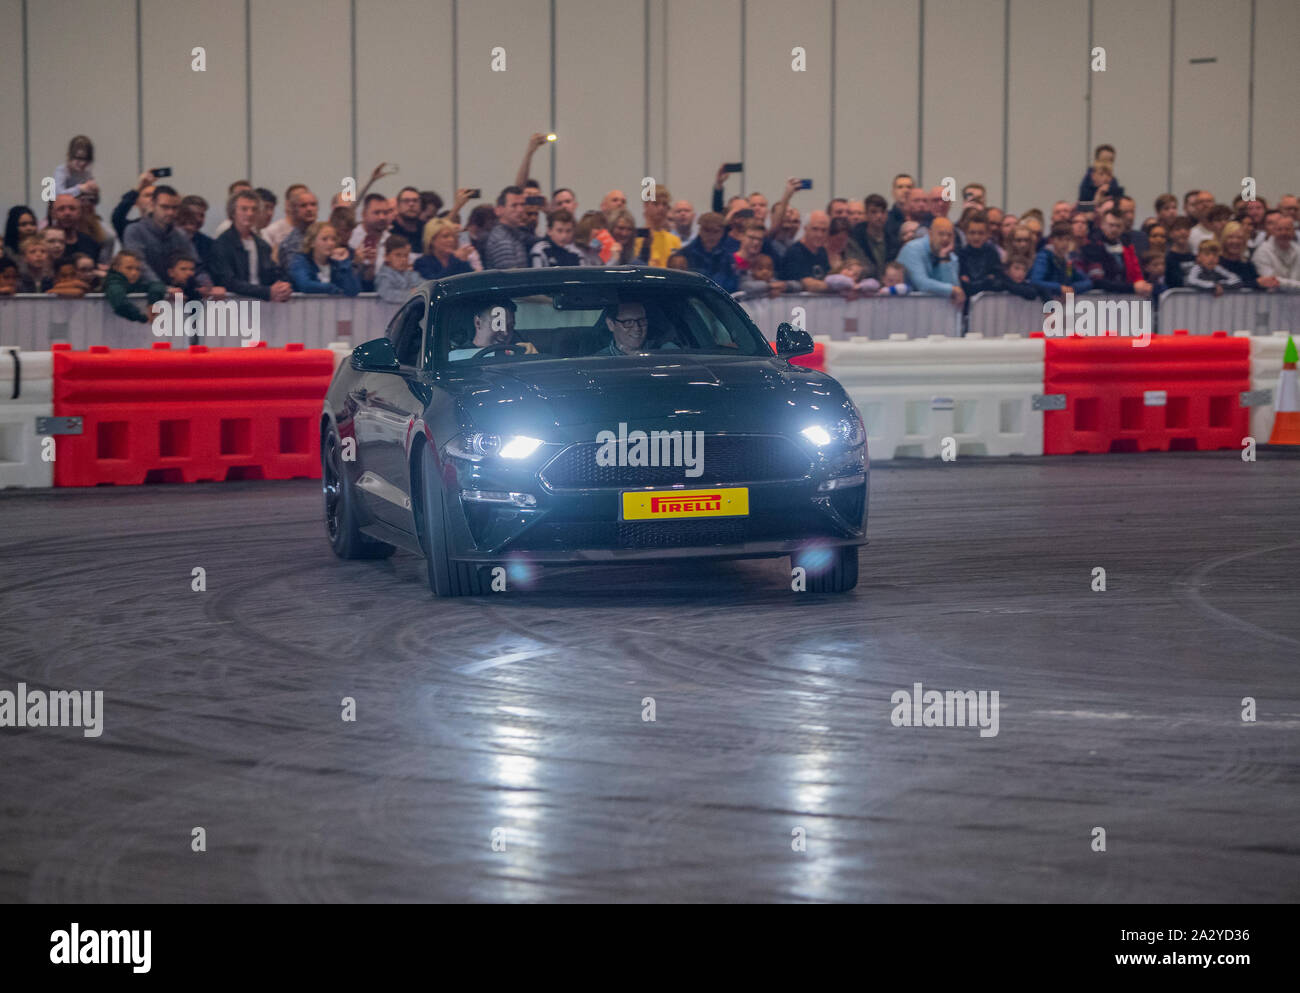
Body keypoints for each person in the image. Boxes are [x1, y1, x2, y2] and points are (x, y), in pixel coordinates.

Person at [209, 189, 292, 302]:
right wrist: (266, 292)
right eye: (244, 209)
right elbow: (228, 281)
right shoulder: (222, 244)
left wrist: (283, 285)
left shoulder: (262, 245)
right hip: (233, 306)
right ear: (233, 212)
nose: (250, 213)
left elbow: (273, 272)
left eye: (254, 209)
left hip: (261, 305)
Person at [897, 217, 963, 306]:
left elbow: (955, 291)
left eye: (949, 235)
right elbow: (921, 284)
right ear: (930, 234)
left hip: (932, 311)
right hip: (903, 307)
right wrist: (951, 290)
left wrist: (943, 259)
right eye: (941, 234)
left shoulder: (951, 256)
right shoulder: (912, 249)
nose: (945, 238)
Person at [288, 222, 361, 295]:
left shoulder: (336, 263)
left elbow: (353, 290)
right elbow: (305, 285)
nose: (331, 243)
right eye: (324, 239)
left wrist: (344, 262)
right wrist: (333, 289)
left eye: (334, 239)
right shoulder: (300, 260)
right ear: (312, 242)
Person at [450, 299, 537, 360]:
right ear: (478, 323)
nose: (506, 333)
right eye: (498, 324)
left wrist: (532, 359)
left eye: (510, 326)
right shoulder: (456, 357)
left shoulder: (517, 354)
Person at [1029, 222, 1091, 299]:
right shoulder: (1043, 257)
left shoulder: (1068, 260)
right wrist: (1060, 288)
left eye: (1067, 239)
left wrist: (1072, 290)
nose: (1064, 243)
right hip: (1042, 303)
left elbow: (1087, 282)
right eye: (1060, 239)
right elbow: (1035, 281)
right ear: (1052, 240)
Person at [103, 250, 166, 323]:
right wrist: (143, 317)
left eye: (138, 269)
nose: (134, 273)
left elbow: (157, 285)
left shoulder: (138, 282)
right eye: (129, 268)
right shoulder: (113, 283)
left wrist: (153, 301)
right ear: (116, 267)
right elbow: (120, 304)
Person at [596, 301, 677, 356]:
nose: (637, 328)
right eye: (628, 322)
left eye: (641, 321)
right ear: (611, 324)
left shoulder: (669, 352)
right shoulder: (596, 363)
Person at [780, 210, 832, 291]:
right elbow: (808, 285)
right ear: (805, 229)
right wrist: (836, 287)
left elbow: (828, 276)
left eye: (824, 230)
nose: (820, 234)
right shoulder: (795, 252)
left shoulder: (822, 251)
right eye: (815, 229)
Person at [483, 186, 533, 269]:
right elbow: (510, 278)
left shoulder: (515, 233)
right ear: (499, 210)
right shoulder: (501, 239)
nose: (520, 210)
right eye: (514, 205)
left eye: (522, 205)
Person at [1251, 211, 1300, 291]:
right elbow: (1272, 282)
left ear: (1293, 232)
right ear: (1273, 231)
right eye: (1279, 229)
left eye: (1287, 229)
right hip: (1271, 299)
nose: (1284, 233)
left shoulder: (1298, 250)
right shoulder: (1262, 252)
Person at [634, 187, 682, 267]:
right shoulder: (636, 238)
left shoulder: (675, 240)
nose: (661, 208)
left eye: (664, 204)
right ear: (646, 205)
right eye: (656, 203)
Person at [957, 212, 1002, 296]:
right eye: (972, 233)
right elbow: (964, 286)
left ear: (987, 234)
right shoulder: (961, 255)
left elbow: (998, 281)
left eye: (980, 233)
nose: (976, 237)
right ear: (965, 233)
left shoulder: (992, 253)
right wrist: (986, 281)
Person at [375, 234, 423, 304]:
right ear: (386, 256)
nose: (403, 259)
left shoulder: (411, 274)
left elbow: (425, 286)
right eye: (398, 255)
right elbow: (387, 294)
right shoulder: (384, 276)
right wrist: (413, 294)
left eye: (406, 255)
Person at [54, 135, 99, 199]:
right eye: (79, 158)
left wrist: (94, 192)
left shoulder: (86, 173)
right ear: (69, 156)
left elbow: (94, 201)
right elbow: (58, 195)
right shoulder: (61, 171)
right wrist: (79, 189)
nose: (83, 163)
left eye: (86, 159)